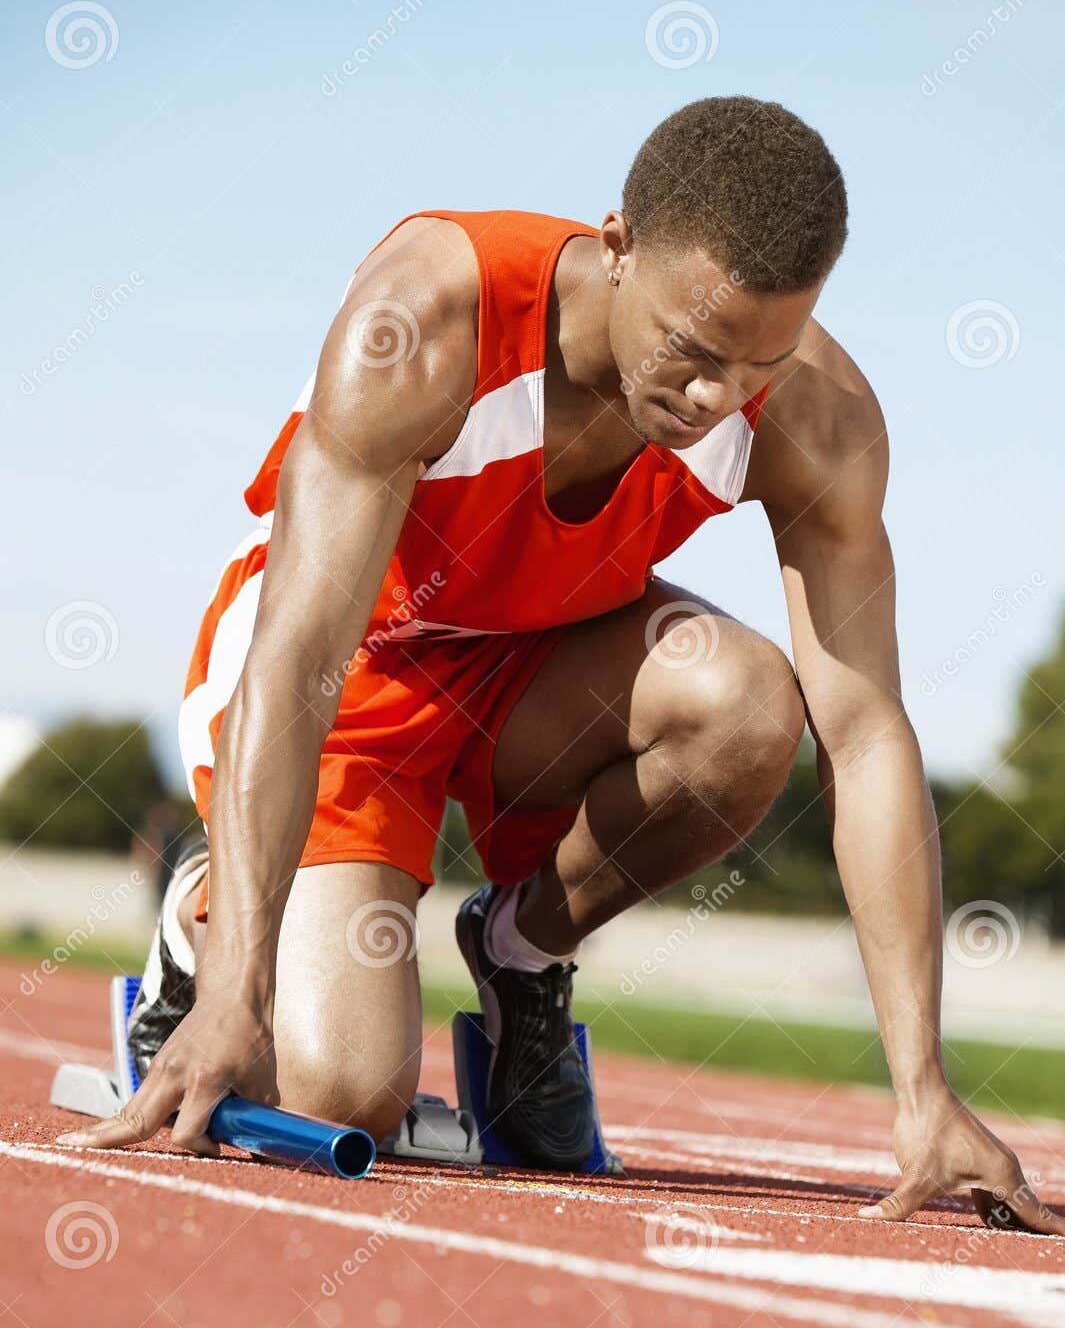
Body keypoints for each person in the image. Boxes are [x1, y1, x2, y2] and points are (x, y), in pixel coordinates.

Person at [58, 96, 1063, 1232]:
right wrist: (239, 988)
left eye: (760, 361)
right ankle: (203, 917)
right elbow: (294, 662)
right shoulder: (428, 320)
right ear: (618, 242)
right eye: (691, 353)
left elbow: (869, 732)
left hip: (530, 680)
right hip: (352, 688)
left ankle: (521, 953)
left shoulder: (816, 419)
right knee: (345, 1090)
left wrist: (924, 1088)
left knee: (746, 704)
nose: (716, 400)